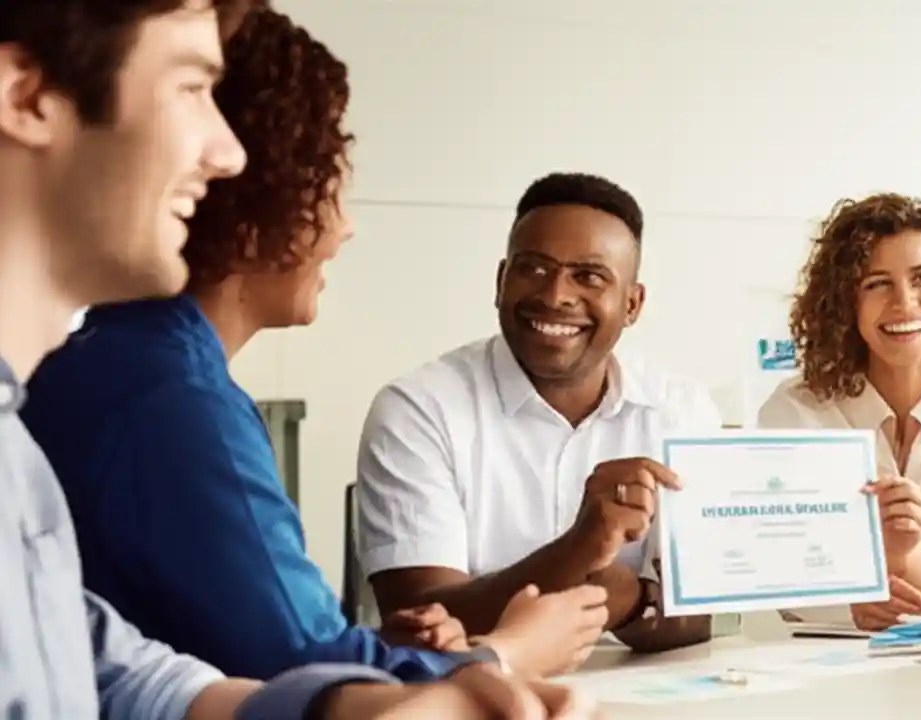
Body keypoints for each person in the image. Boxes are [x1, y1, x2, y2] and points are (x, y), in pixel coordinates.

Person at [1, 1, 592, 718]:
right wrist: (503, 654)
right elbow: (295, 652)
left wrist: (356, 705)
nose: (228, 157)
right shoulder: (165, 393)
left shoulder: (26, 437)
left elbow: (111, 666)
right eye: (191, 88)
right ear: (26, 96)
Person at [356, 172, 720, 656]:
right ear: (501, 280)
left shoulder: (681, 410)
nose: (555, 296)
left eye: (589, 276)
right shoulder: (419, 409)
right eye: (534, 269)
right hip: (472, 697)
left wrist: (620, 593)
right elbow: (421, 625)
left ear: (631, 304)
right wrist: (580, 551)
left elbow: (699, 617)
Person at [757, 193, 921, 630]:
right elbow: (777, 569)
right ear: (846, 303)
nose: (904, 302)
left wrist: (903, 553)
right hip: (823, 654)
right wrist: (853, 608)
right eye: (876, 283)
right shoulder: (794, 412)